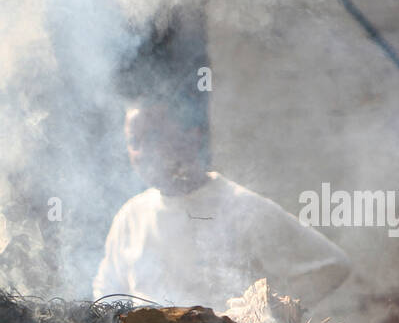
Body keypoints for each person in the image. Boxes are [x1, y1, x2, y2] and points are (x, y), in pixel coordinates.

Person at [93, 101, 351, 310]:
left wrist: (266, 315)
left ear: (193, 135)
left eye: (154, 136)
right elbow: (106, 294)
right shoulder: (130, 216)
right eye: (134, 142)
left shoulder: (242, 207)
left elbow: (331, 266)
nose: (143, 152)